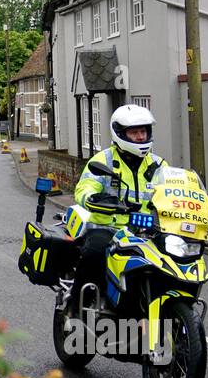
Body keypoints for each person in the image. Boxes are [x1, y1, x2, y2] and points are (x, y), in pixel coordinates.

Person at [71, 104, 167, 290]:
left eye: (143, 131)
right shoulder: (103, 160)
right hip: (108, 228)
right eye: (134, 132)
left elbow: (173, 191)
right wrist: (93, 198)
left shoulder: (159, 165)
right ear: (120, 134)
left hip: (148, 232)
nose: (140, 137)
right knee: (93, 254)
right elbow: (84, 187)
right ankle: (77, 307)